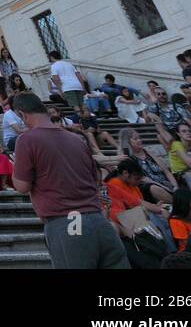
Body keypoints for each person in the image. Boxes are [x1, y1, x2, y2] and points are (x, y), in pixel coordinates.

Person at [11, 92, 128, 269]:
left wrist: (15, 165)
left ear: (21, 114)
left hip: (68, 223)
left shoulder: (27, 139)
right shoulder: (77, 139)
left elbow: (21, 186)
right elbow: (95, 177)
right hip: (100, 221)